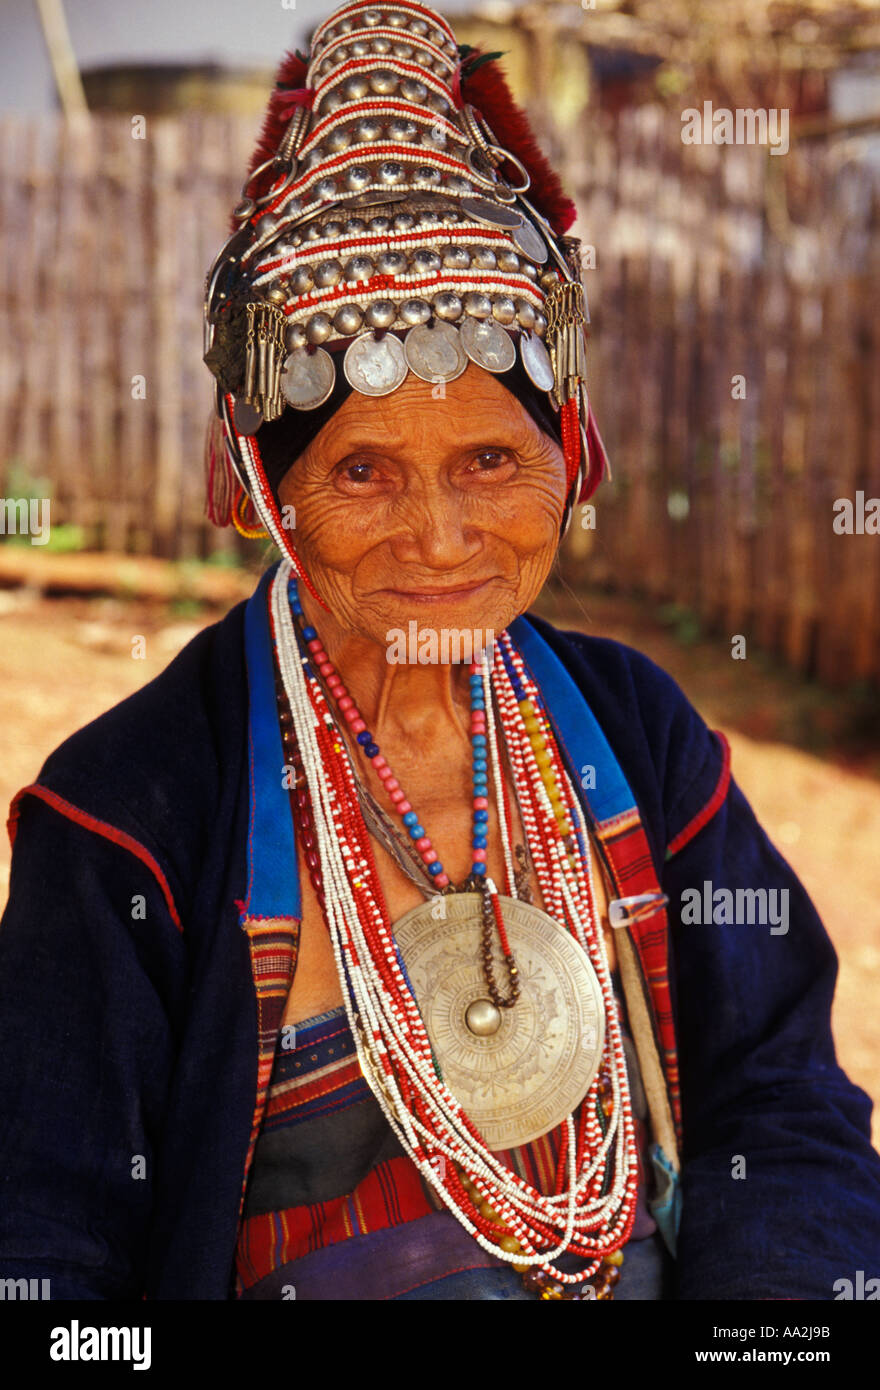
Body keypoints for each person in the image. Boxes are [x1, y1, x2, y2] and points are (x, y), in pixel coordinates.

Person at [1, 0, 879, 1302]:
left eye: (489, 458)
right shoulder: (131, 817)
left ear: (567, 460)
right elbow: (45, 1245)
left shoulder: (638, 736)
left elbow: (784, 1104)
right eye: (363, 469)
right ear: (267, 490)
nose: (443, 536)